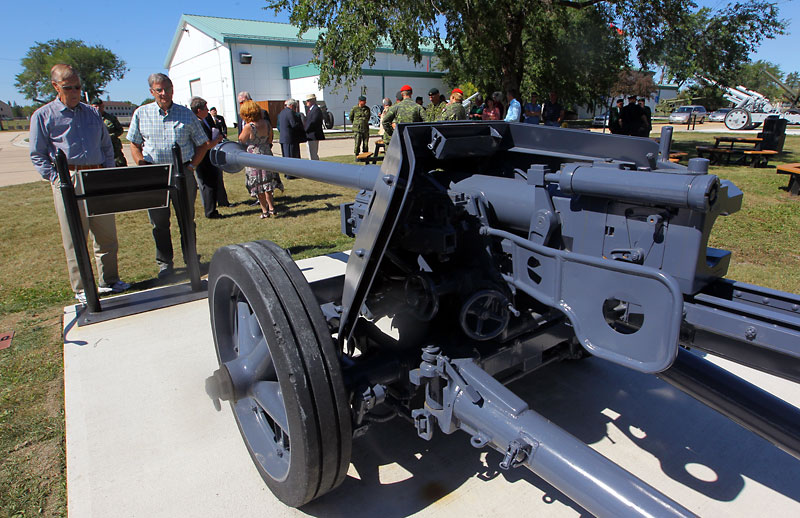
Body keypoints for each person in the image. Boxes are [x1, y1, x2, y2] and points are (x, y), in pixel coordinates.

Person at [30, 64, 129, 303]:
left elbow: (106, 146)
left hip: (97, 178)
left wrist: (107, 171)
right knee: (75, 237)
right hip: (69, 180)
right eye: (68, 87)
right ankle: (83, 287)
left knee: (106, 234)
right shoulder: (43, 116)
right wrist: (57, 178)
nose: (74, 92)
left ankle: (110, 280)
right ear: (55, 87)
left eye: (77, 87)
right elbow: (37, 154)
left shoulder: (93, 113)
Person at [127, 73, 211, 279]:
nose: (164, 93)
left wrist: (191, 166)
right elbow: (134, 143)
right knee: (159, 222)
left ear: (173, 89)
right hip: (155, 174)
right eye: (159, 90)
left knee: (186, 220)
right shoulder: (141, 113)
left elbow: (202, 144)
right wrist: (141, 165)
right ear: (152, 92)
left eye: (167, 89)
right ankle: (165, 264)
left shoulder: (186, 114)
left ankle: (192, 260)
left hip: (182, 174)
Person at [239, 100, 284, 218]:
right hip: (267, 154)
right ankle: (272, 208)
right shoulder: (267, 124)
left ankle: (264, 211)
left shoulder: (249, 126)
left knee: (258, 185)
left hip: (254, 157)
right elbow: (270, 140)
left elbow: (241, 140)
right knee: (268, 183)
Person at [190, 97, 225, 219]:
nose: (208, 110)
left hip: (210, 157)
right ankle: (210, 211)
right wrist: (216, 141)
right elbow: (205, 144)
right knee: (207, 185)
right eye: (205, 108)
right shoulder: (197, 123)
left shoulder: (205, 120)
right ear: (199, 110)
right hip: (203, 159)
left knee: (213, 183)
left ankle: (213, 208)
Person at [91, 99, 127, 166]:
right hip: (97, 149)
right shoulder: (89, 119)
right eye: (95, 106)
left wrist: (110, 136)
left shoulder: (111, 118)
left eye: (100, 106)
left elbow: (120, 130)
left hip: (114, 148)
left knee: (120, 165)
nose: (98, 108)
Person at [303, 94, 325, 160]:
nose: (306, 103)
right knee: (310, 153)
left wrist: (305, 130)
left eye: (308, 101)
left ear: (312, 101)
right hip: (309, 135)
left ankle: (315, 166)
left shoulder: (316, 110)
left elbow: (313, 122)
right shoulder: (310, 110)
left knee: (313, 153)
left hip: (313, 135)